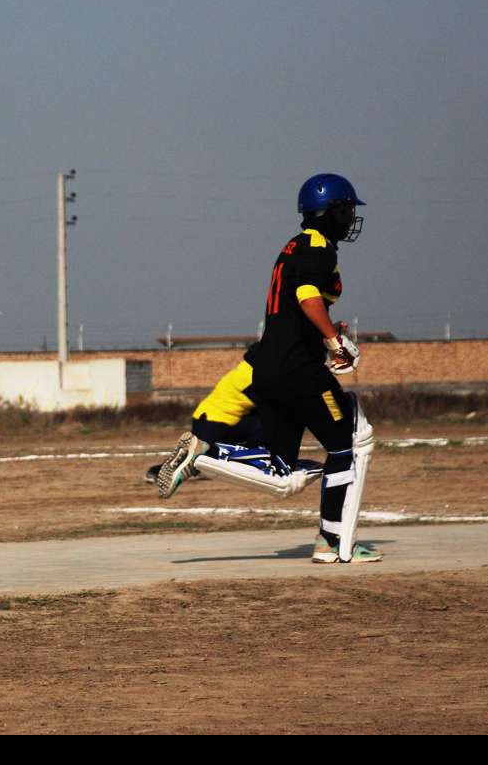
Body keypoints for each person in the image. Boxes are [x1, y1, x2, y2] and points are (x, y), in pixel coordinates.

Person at [154, 173, 380, 564]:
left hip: (270, 368)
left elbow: (298, 307)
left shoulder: (294, 246)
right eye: (346, 211)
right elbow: (307, 296)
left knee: (281, 473)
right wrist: (333, 340)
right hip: (299, 371)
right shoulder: (319, 247)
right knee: (350, 443)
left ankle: (206, 453)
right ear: (331, 212)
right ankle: (335, 545)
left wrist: (326, 329)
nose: (349, 219)